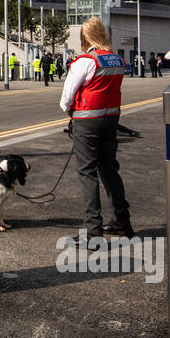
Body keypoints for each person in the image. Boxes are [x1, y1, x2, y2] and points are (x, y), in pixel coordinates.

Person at [60, 17, 133, 241]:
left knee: (87, 172)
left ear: (86, 37)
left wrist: (70, 112)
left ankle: (93, 232)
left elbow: (66, 98)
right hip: (110, 119)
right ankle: (122, 221)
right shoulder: (117, 60)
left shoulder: (85, 61)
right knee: (109, 169)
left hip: (87, 122)